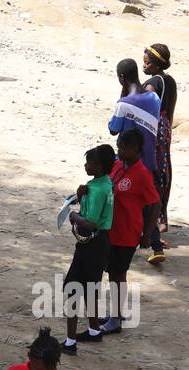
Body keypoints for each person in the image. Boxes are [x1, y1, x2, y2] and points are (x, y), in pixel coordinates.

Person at [102, 129, 159, 335]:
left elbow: (154, 204)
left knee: (118, 274)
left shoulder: (142, 174)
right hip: (111, 230)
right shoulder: (117, 166)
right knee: (114, 273)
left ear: (135, 149)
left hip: (127, 233)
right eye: (118, 146)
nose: (119, 150)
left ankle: (115, 318)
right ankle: (115, 312)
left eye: (123, 147)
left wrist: (147, 234)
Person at [63, 144, 116, 353]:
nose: (86, 165)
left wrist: (73, 215)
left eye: (90, 162)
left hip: (91, 244)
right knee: (91, 288)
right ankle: (94, 330)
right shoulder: (104, 184)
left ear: (100, 166)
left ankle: (70, 342)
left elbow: (91, 222)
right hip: (101, 243)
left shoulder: (98, 189)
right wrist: (82, 194)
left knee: (74, 289)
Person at [142, 43, 176, 263]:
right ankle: (159, 221)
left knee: (147, 179)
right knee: (161, 176)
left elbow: (145, 102)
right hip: (164, 133)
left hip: (151, 132)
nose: (143, 64)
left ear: (154, 64)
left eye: (146, 61)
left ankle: (149, 230)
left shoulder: (153, 84)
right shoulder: (170, 81)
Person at [108, 58, 161, 182]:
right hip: (150, 161)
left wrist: (122, 98)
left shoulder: (124, 104)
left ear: (121, 77)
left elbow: (113, 130)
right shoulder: (154, 98)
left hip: (130, 163)